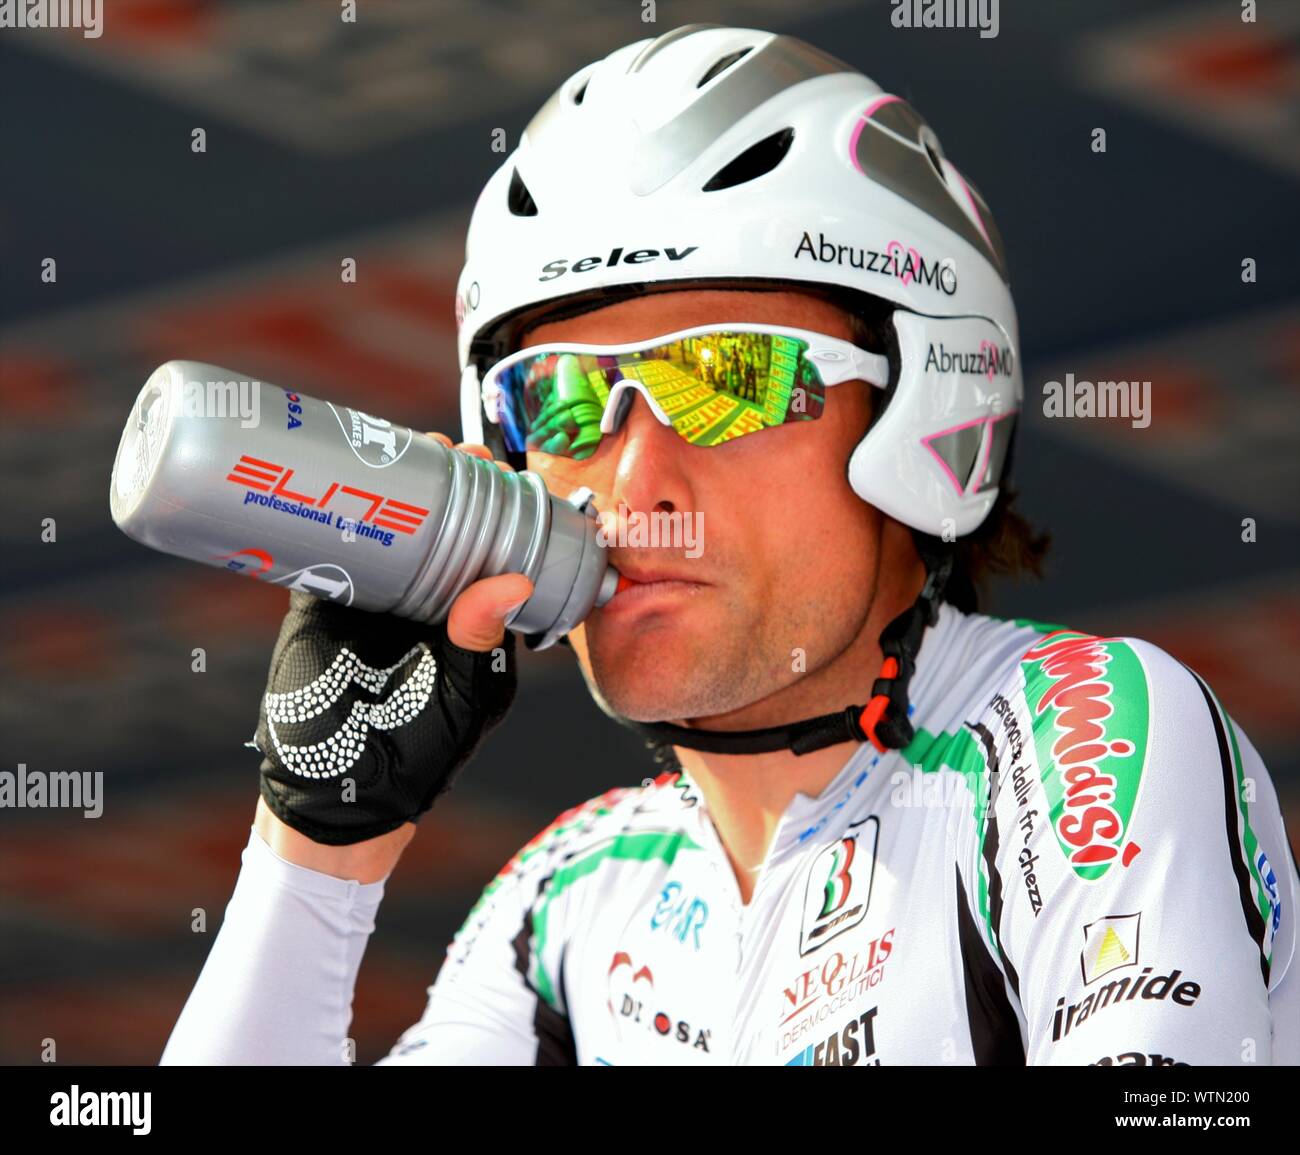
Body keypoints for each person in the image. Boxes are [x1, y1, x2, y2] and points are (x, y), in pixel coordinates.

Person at [160, 23, 1297, 1067]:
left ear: (927, 404)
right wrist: (316, 852)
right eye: (555, 398)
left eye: (728, 379)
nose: (632, 480)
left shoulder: (1077, 740)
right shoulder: (567, 900)